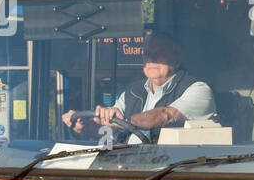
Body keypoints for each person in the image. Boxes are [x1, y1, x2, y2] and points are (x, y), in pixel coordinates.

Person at [63, 31, 216, 144]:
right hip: (130, 170)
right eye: (148, 53)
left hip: (174, 173)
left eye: (159, 53)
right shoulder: (132, 91)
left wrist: (125, 121)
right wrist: (84, 126)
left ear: (177, 59)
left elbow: (166, 115)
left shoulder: (198, 90)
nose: (151, 59)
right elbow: (109, 131)